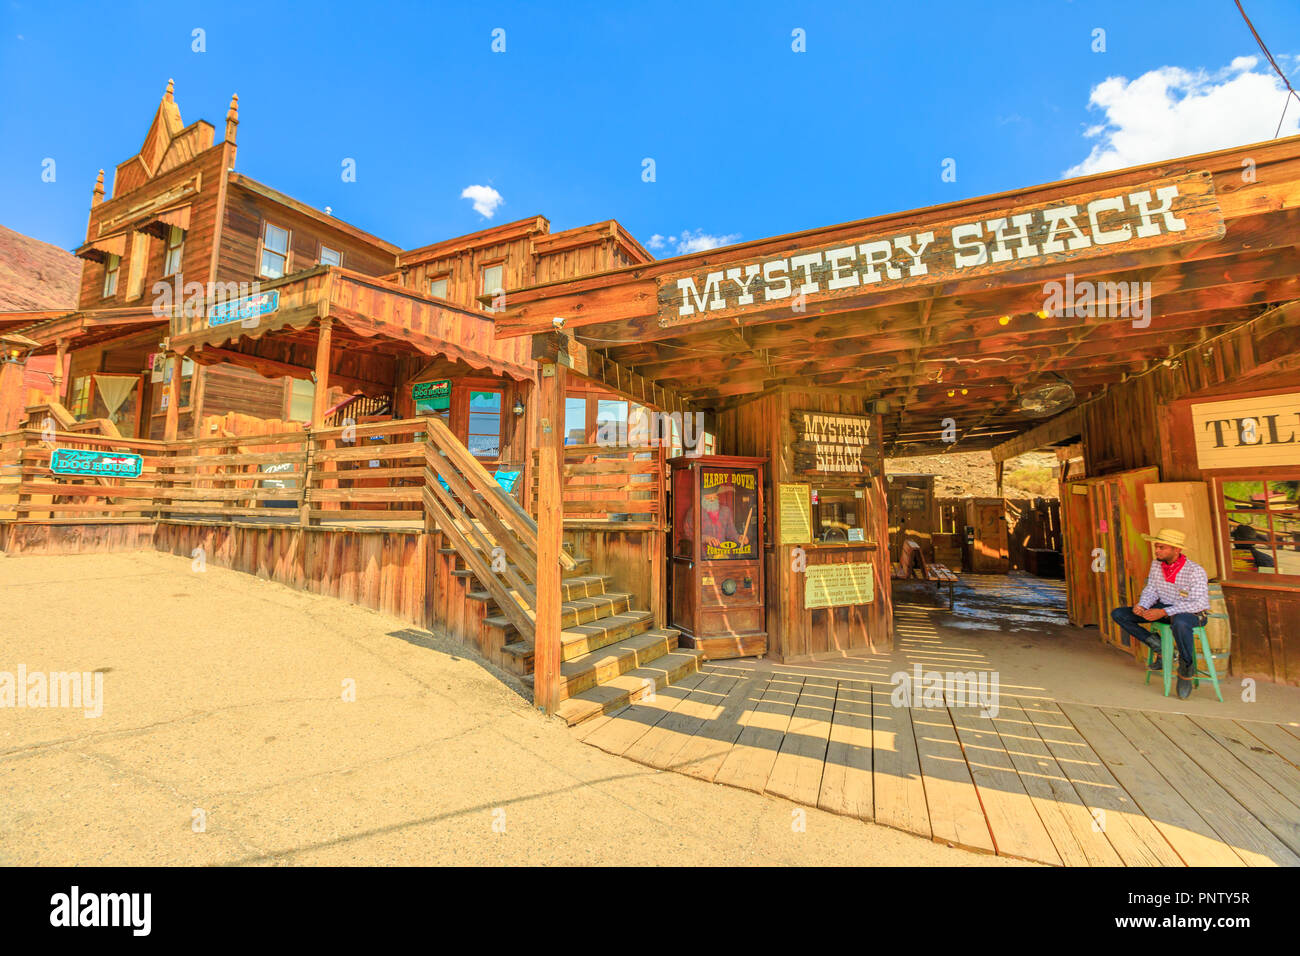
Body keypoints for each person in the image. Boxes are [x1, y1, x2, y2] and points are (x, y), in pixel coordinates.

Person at [1109, 527, 1210, 699]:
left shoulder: (1195, 571)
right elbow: (1152, 589)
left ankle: (1186, 666)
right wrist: (1142, 605)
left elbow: (1199, 603)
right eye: (1156, 546)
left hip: (1189, 613)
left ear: (1176, 550)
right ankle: (1160, 647)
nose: (1157, 550)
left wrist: (1163, 611)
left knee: (1180, 623)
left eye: (1161, 547)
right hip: (1162, 609)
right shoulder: (1156, 565)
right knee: (1120, 614)